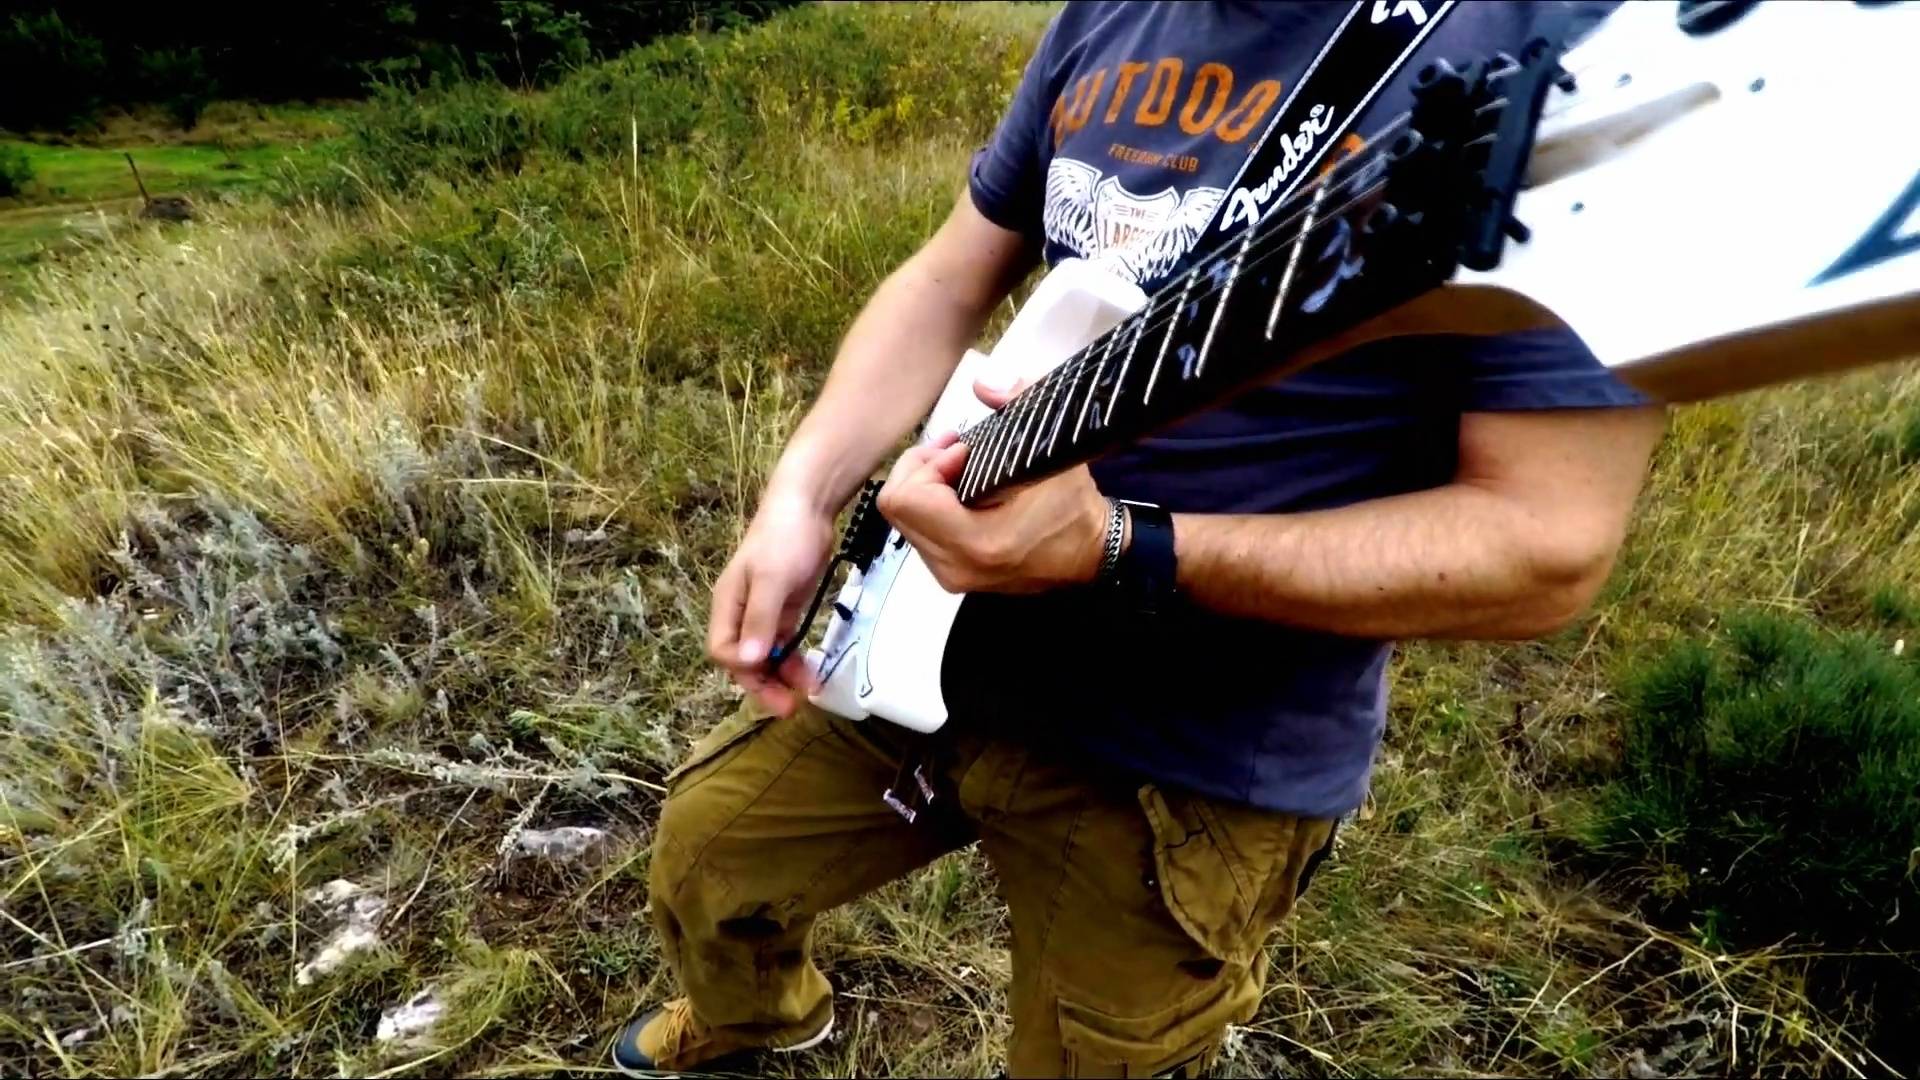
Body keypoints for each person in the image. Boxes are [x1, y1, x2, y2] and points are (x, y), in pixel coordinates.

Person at [613, 1, 1662, 1076]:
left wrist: (1120, 543)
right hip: (937, 624)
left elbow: (1544, 547)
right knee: (707, 864)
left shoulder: (1571, 54)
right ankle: (758, 1018)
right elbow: (949, 275)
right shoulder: (1109, 13)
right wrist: (802, 493)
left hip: (1185, 758)